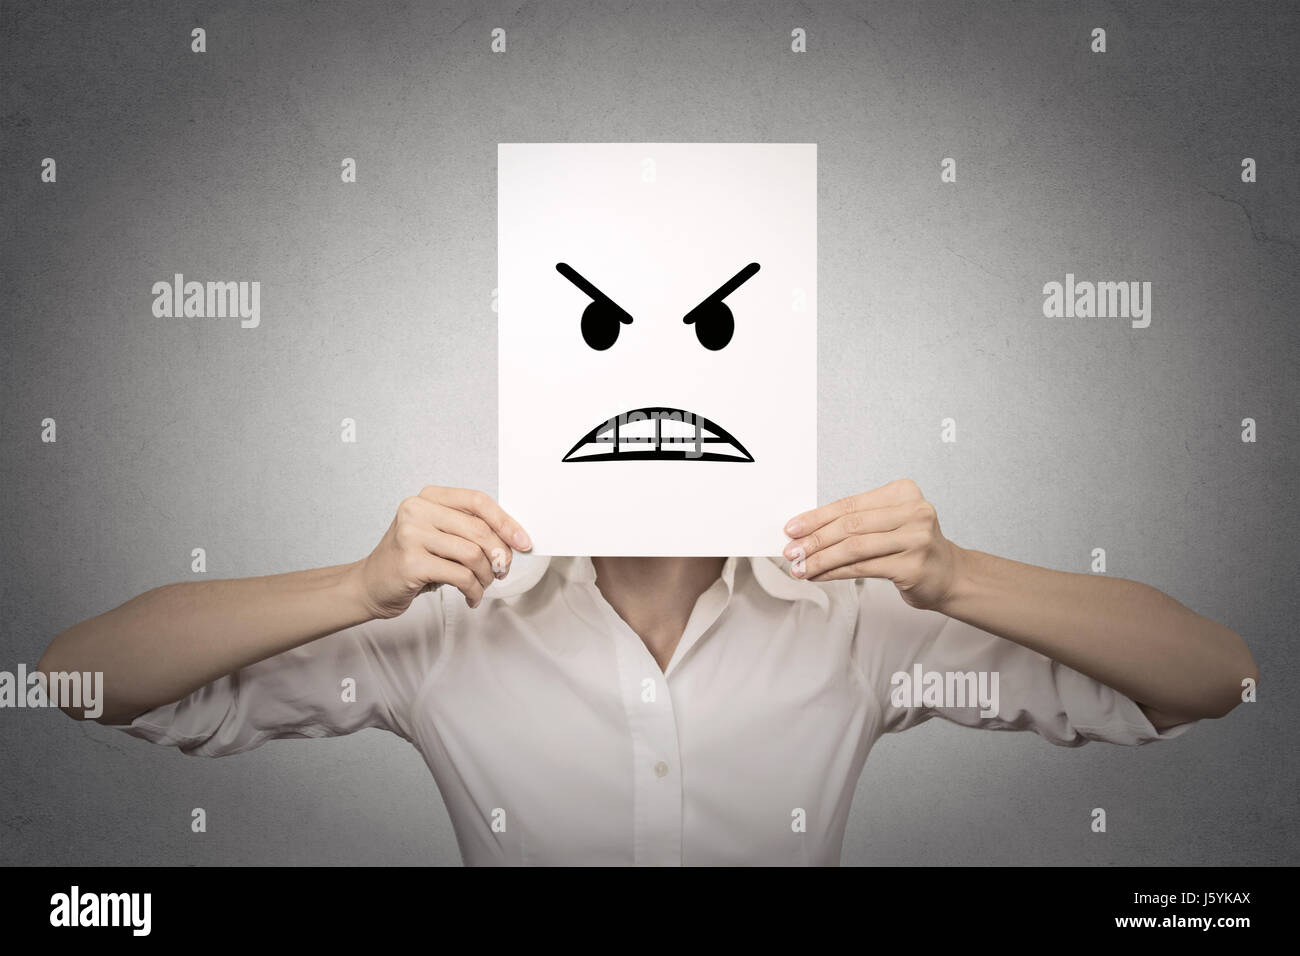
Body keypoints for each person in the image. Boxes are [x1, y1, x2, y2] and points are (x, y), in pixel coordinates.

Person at [38, 479, 1257, 865]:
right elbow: (76, 680)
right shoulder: (445, 626)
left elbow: (1213, 678)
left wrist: (956, 574)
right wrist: (355, 587)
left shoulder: (858, 623)